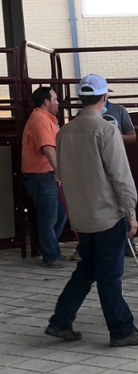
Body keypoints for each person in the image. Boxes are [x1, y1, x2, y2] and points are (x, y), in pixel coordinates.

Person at [46, 74, 138, 346]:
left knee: (87, 269)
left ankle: (61, 321)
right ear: (105, 97)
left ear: (81, 99)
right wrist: (131, 213)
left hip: (81, 216)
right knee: (109, 275)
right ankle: (121, 329)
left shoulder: (64, 132)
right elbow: (120, 176)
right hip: (107, 215)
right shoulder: (107, 130)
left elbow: (61, 174)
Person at [21, 87, 68, 267]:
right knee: (49, 216)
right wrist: (59, 170)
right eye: (55, 99)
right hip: (42, 175)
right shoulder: (39, 119)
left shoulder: (48, 119)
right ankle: (50, 254)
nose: (58, 102)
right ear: (46, 101)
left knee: (60, 214)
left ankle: (50, 247)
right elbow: (47, 148)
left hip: (50, 174)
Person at [102, 94, 138, 257]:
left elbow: (132, 136)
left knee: (122, 197)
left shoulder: (118, 110)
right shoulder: (84, 114)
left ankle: (128, 244)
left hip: (117, 162)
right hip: (96, 166)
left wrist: (115, 137)